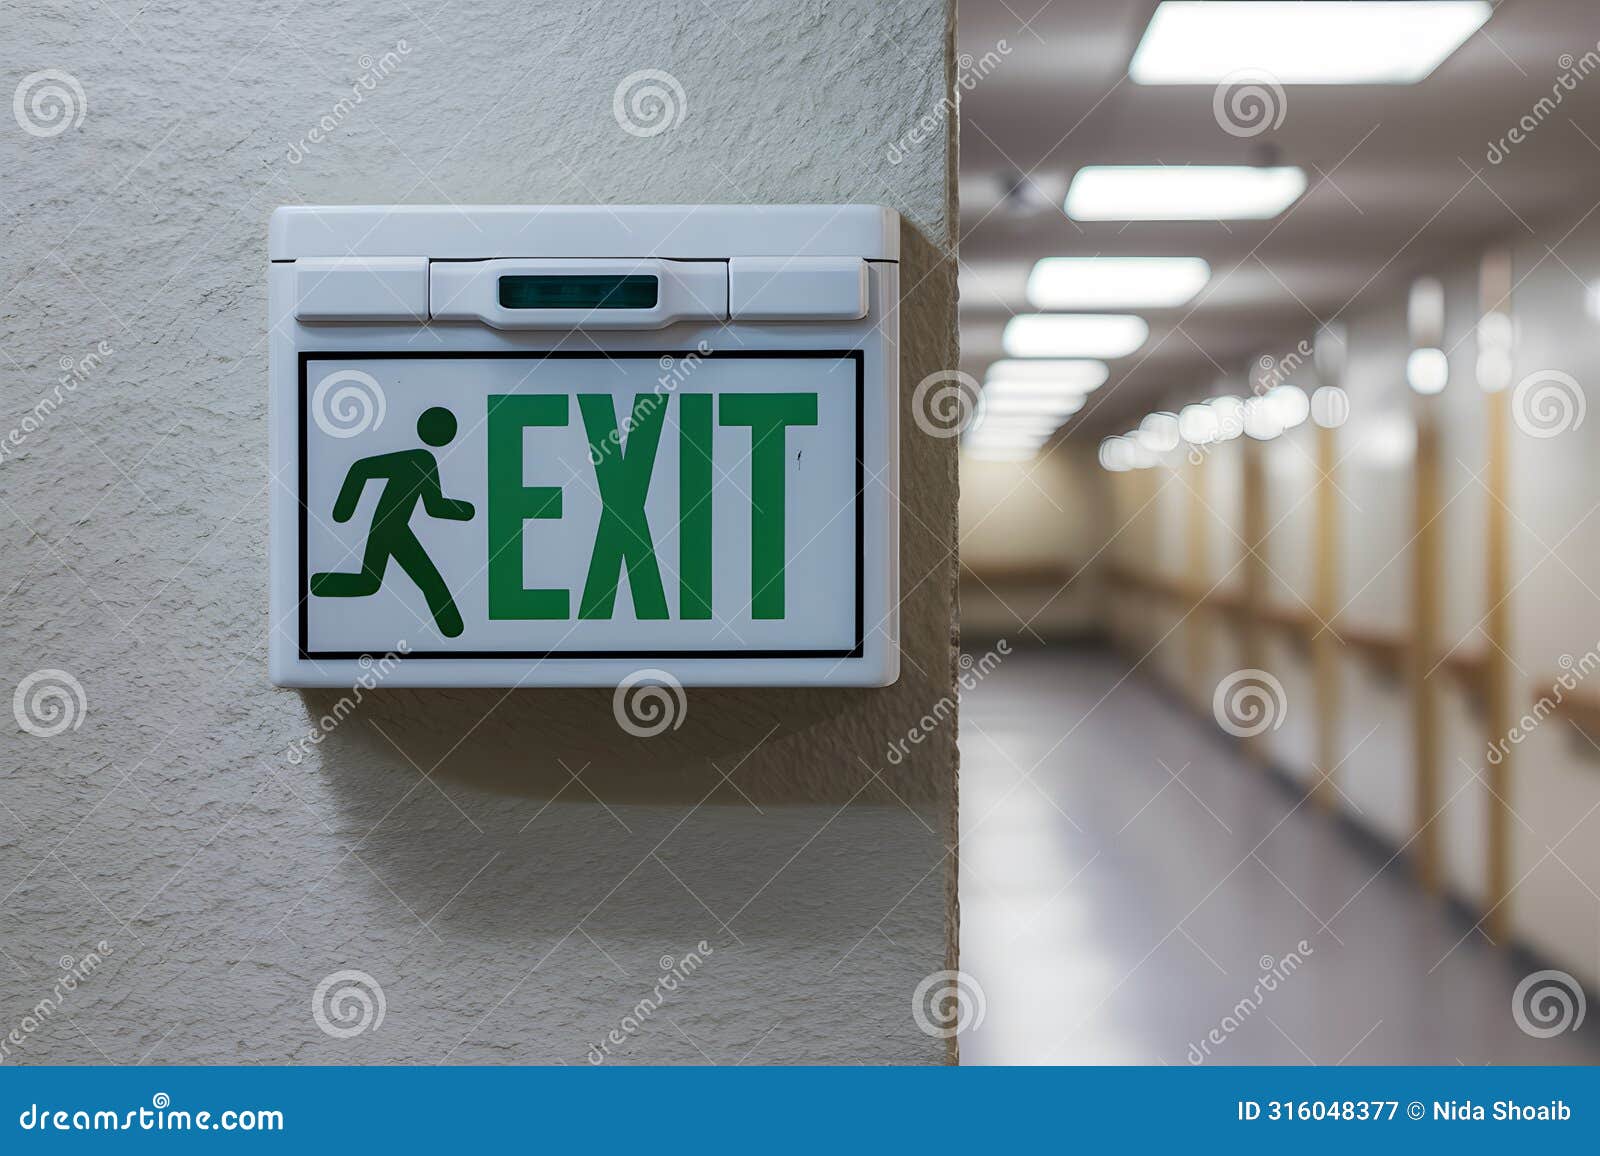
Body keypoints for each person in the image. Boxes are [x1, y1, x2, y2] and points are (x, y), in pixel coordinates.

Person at [311, 406, 475, 637]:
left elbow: (432, 506)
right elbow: (362, 469)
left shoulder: (421, 460)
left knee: (370, 582)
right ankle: (453, 629)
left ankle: (317, 584)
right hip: (391, 528)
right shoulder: (421, 459)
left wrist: (465, 511)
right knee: (425, 581)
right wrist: (343, 510)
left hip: (391, 528)